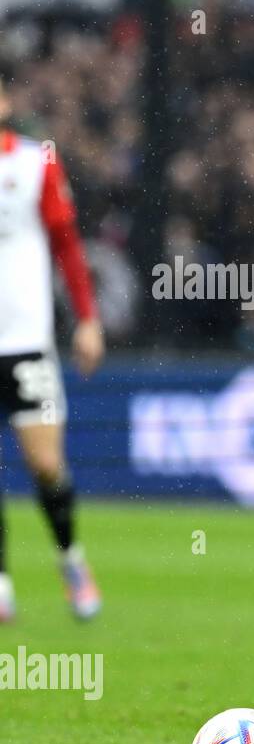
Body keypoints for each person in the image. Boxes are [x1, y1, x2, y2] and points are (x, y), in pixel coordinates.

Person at [0, 76, 103, 623]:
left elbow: (66, 244)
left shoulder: (34, 163)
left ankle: (70, 559)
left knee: (44, 464)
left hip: (24, 341)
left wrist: (87, 320)